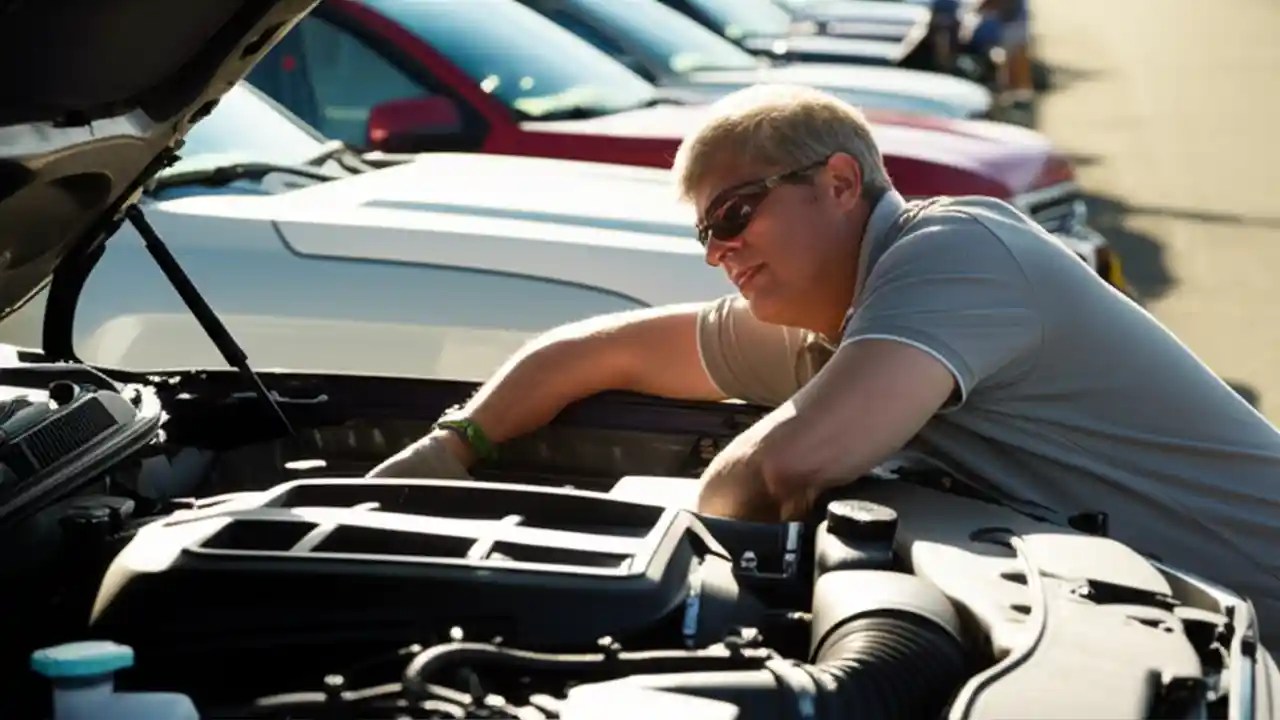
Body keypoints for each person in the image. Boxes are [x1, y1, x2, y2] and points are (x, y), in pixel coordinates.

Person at [368, 84, 1280, 638]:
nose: (720, 250)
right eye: (705, 236)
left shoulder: (956, 252)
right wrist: (453, 450)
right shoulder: (841, 320)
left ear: (841, 185)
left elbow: (788, 465)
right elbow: (595, 351)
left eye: (735, 216)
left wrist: (643, 584)